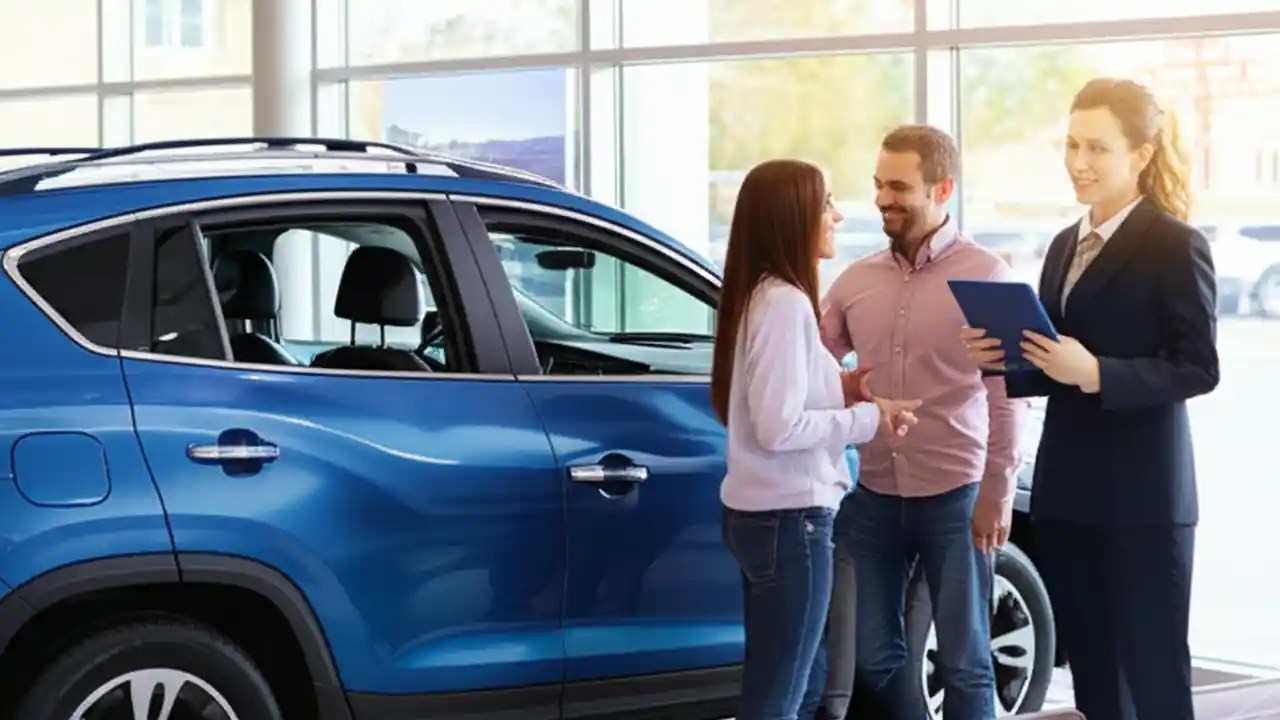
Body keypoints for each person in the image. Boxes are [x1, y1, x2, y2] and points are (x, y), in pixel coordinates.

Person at [961, 77, 1219, 720]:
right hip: (1070, 495)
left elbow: (1198, 369)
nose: (1079, 162)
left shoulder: (1176, 245)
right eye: (1072, 145)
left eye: (1097, 148)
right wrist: (1000, 362)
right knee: (1097, 680)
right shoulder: (1062, 246)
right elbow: (1050, 364)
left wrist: (1099, 371)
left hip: (1145, 502)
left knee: (1156, 676)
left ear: (1141, 155)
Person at [817, 125, 1028, 720]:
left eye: (899, 186)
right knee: (873, 658)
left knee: (965, 662)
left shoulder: (988, 276)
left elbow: (1010, 394)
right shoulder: (855, 282)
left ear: (943, 189)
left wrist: (998, 489)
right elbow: (809, 369)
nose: (883, 198)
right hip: (875, 495)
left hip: (956, 497)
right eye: (879, 184)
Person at [711, 158, 921, 720]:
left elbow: (772, 401)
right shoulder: (783, 303)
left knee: (798, 686)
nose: (838, 214)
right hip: (792, 522)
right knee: (782, 698)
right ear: (794, 215)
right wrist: (869, 423)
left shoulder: (759, 295)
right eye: (826, 202)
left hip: (765, 519)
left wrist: (843, 387)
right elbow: (779, 427)